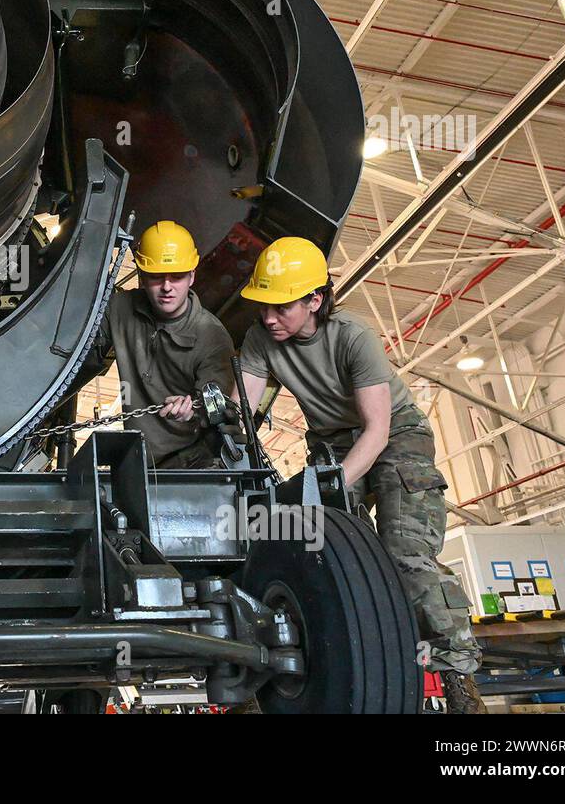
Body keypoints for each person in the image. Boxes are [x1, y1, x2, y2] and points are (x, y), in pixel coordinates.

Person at [233, 235, 485, 714]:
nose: (268, 317)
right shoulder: (261, 339)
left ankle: (457, 673)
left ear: (315, 299)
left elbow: (377, 429)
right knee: (320, 554)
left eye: (281, 307)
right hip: (330, 444)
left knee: (404, 553)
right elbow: (238, 409)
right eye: (263, 305)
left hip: (394, 436)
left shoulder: (352, 335)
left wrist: (330, 486)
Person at [76, 220, 235, 468]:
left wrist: (192, 411)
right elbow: (78, 347)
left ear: (192, 275)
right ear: (141, 276)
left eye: (177, 276)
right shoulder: (118, 310)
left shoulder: (211, 337)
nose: (167, 287)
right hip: (140, 459)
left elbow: (220, 408)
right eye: (156, 277)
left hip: (191, 462)